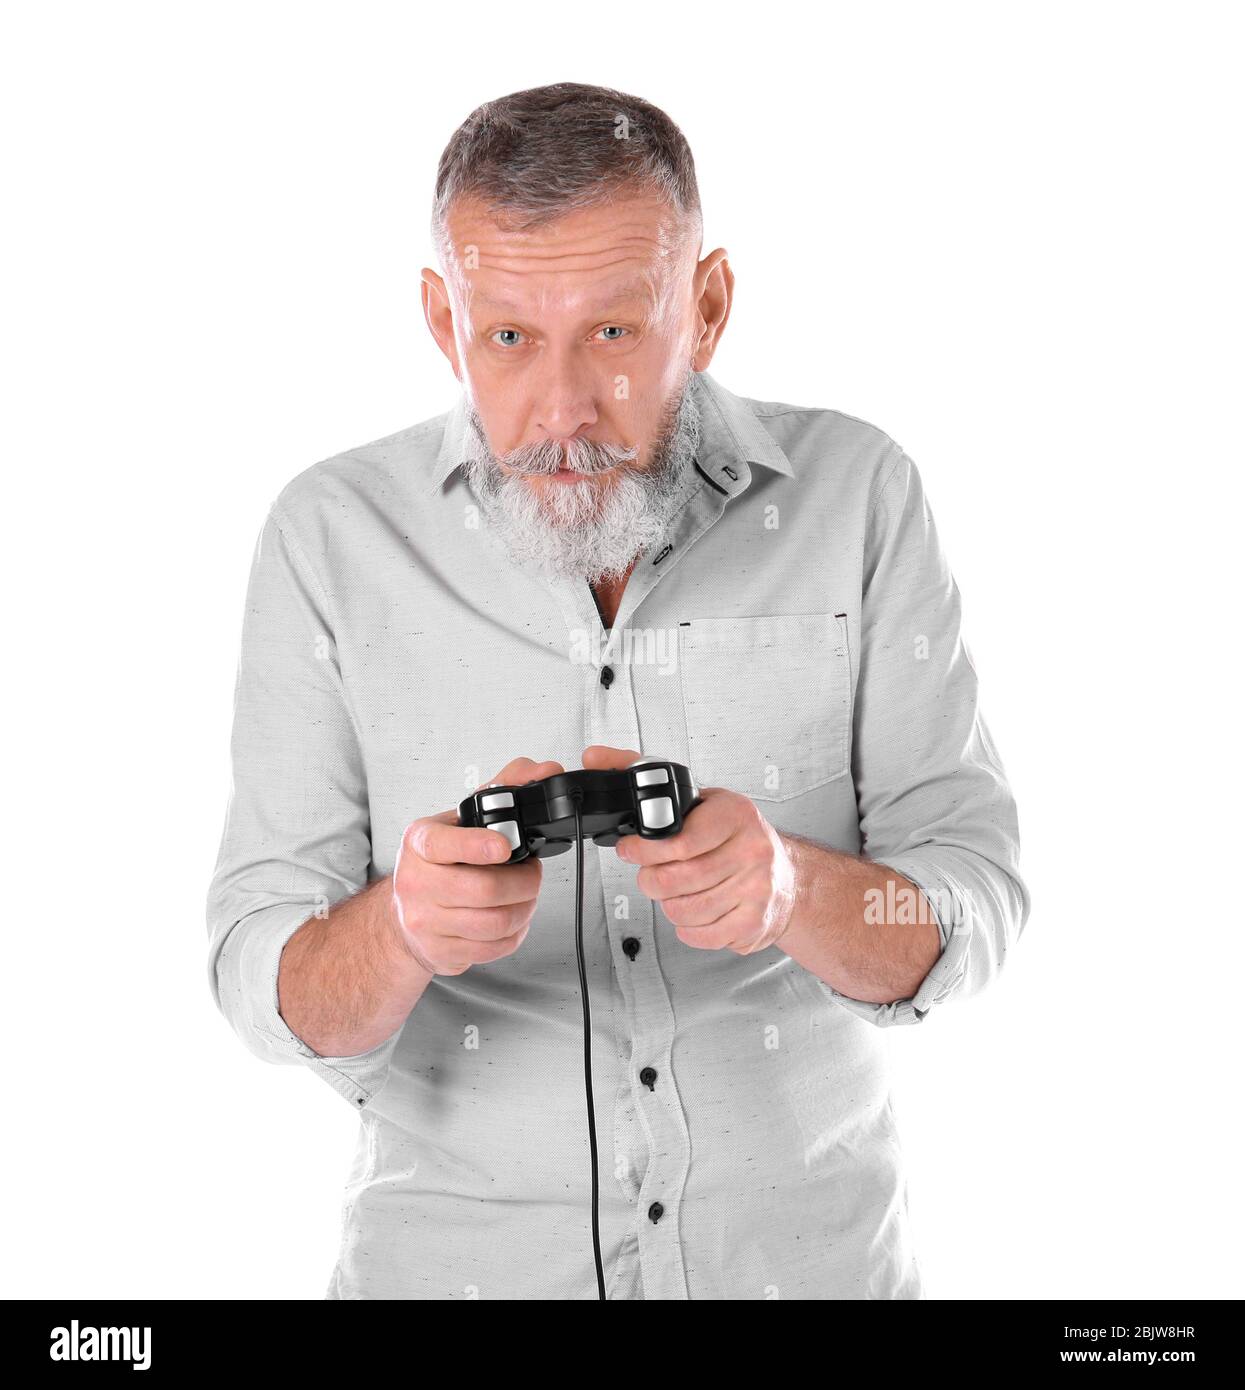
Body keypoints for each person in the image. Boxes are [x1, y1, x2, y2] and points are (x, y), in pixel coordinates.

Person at [206, 81, 1029, 1301]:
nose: (563, 413)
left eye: (612, 333)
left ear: (706, 306)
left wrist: (794, 888)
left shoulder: (859, 496)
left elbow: (973, 910)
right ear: (444, 320)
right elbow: (256, 976)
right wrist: (403, 928)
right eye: (509, 339)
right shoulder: (329, 539)